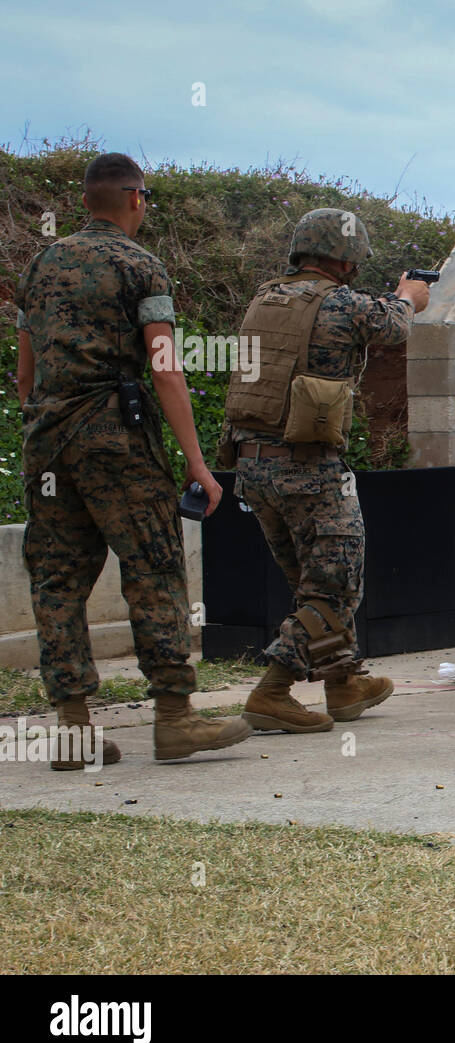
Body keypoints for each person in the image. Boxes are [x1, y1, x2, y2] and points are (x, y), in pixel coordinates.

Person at [15, 152, 252, 768]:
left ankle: (72, 729)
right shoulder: (141, 267)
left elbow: (23, 376)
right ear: (136, 199)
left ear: (88, 200)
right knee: (154, 567)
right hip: (116, 438)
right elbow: (166, 368)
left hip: (46, 441)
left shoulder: (40, 265)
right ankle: (175, 719)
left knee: (57, 580)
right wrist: (196, 463)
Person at [222, 208, 429, 733]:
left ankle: (344, 682)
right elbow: (395, 326)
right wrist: (408, 296)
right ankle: (272, 691)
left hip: (252, 467)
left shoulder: (263, 299)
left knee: (314, 585)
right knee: (335, 587)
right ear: (347, 259)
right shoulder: (341, 303)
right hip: (308, 470)